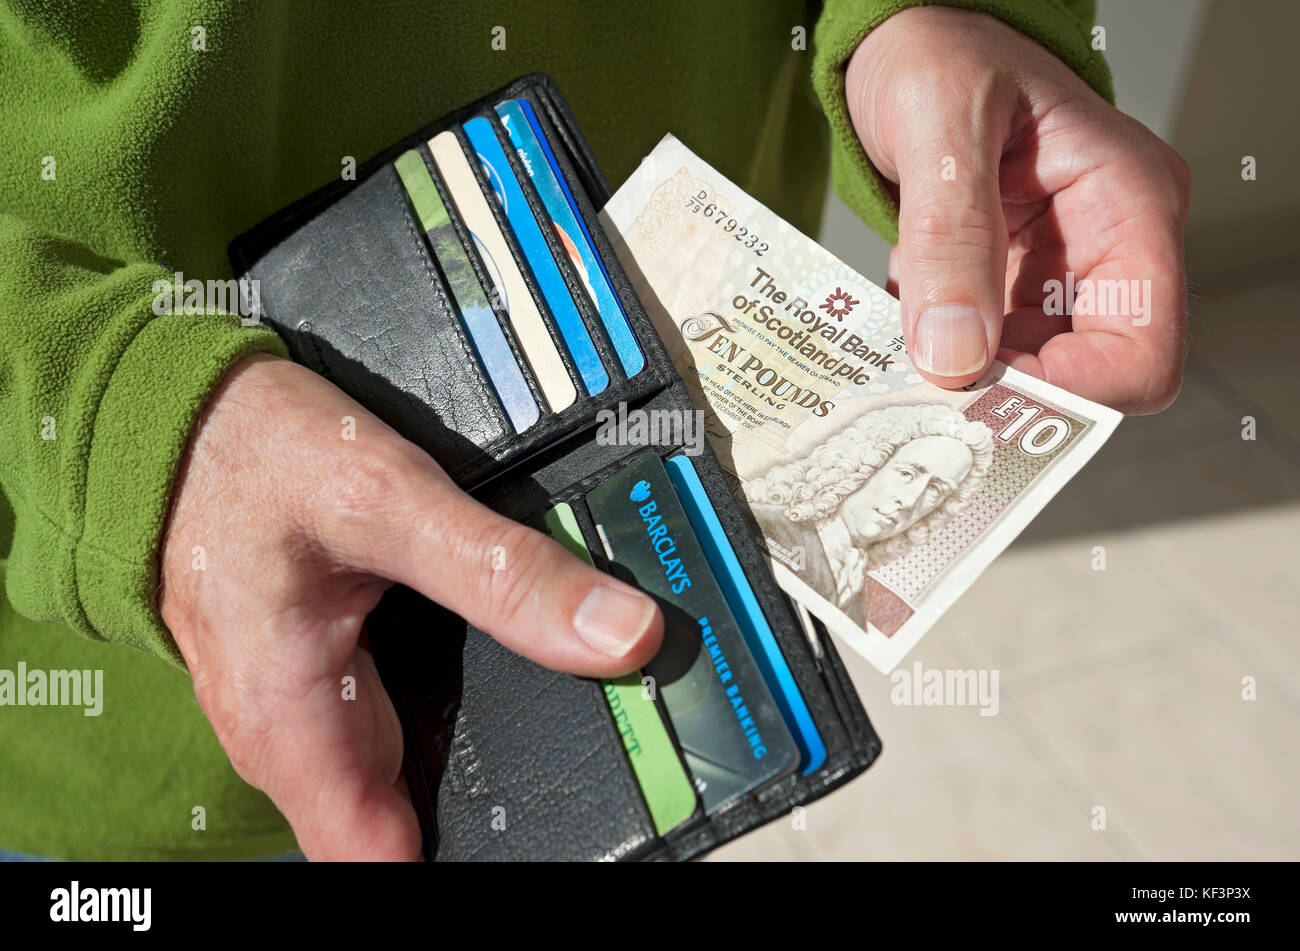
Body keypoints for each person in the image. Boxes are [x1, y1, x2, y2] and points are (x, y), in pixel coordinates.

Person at [0, 0, 1189, 860]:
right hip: (118, 747)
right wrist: (115, 422)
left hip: (611, 699)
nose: (909, 509)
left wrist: (943, 16)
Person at [746, 404, 995, 628]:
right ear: (865, 463)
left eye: (935, 489)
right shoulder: (761, 522)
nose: (909, 502)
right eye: (907, 474)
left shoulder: (856, 578)